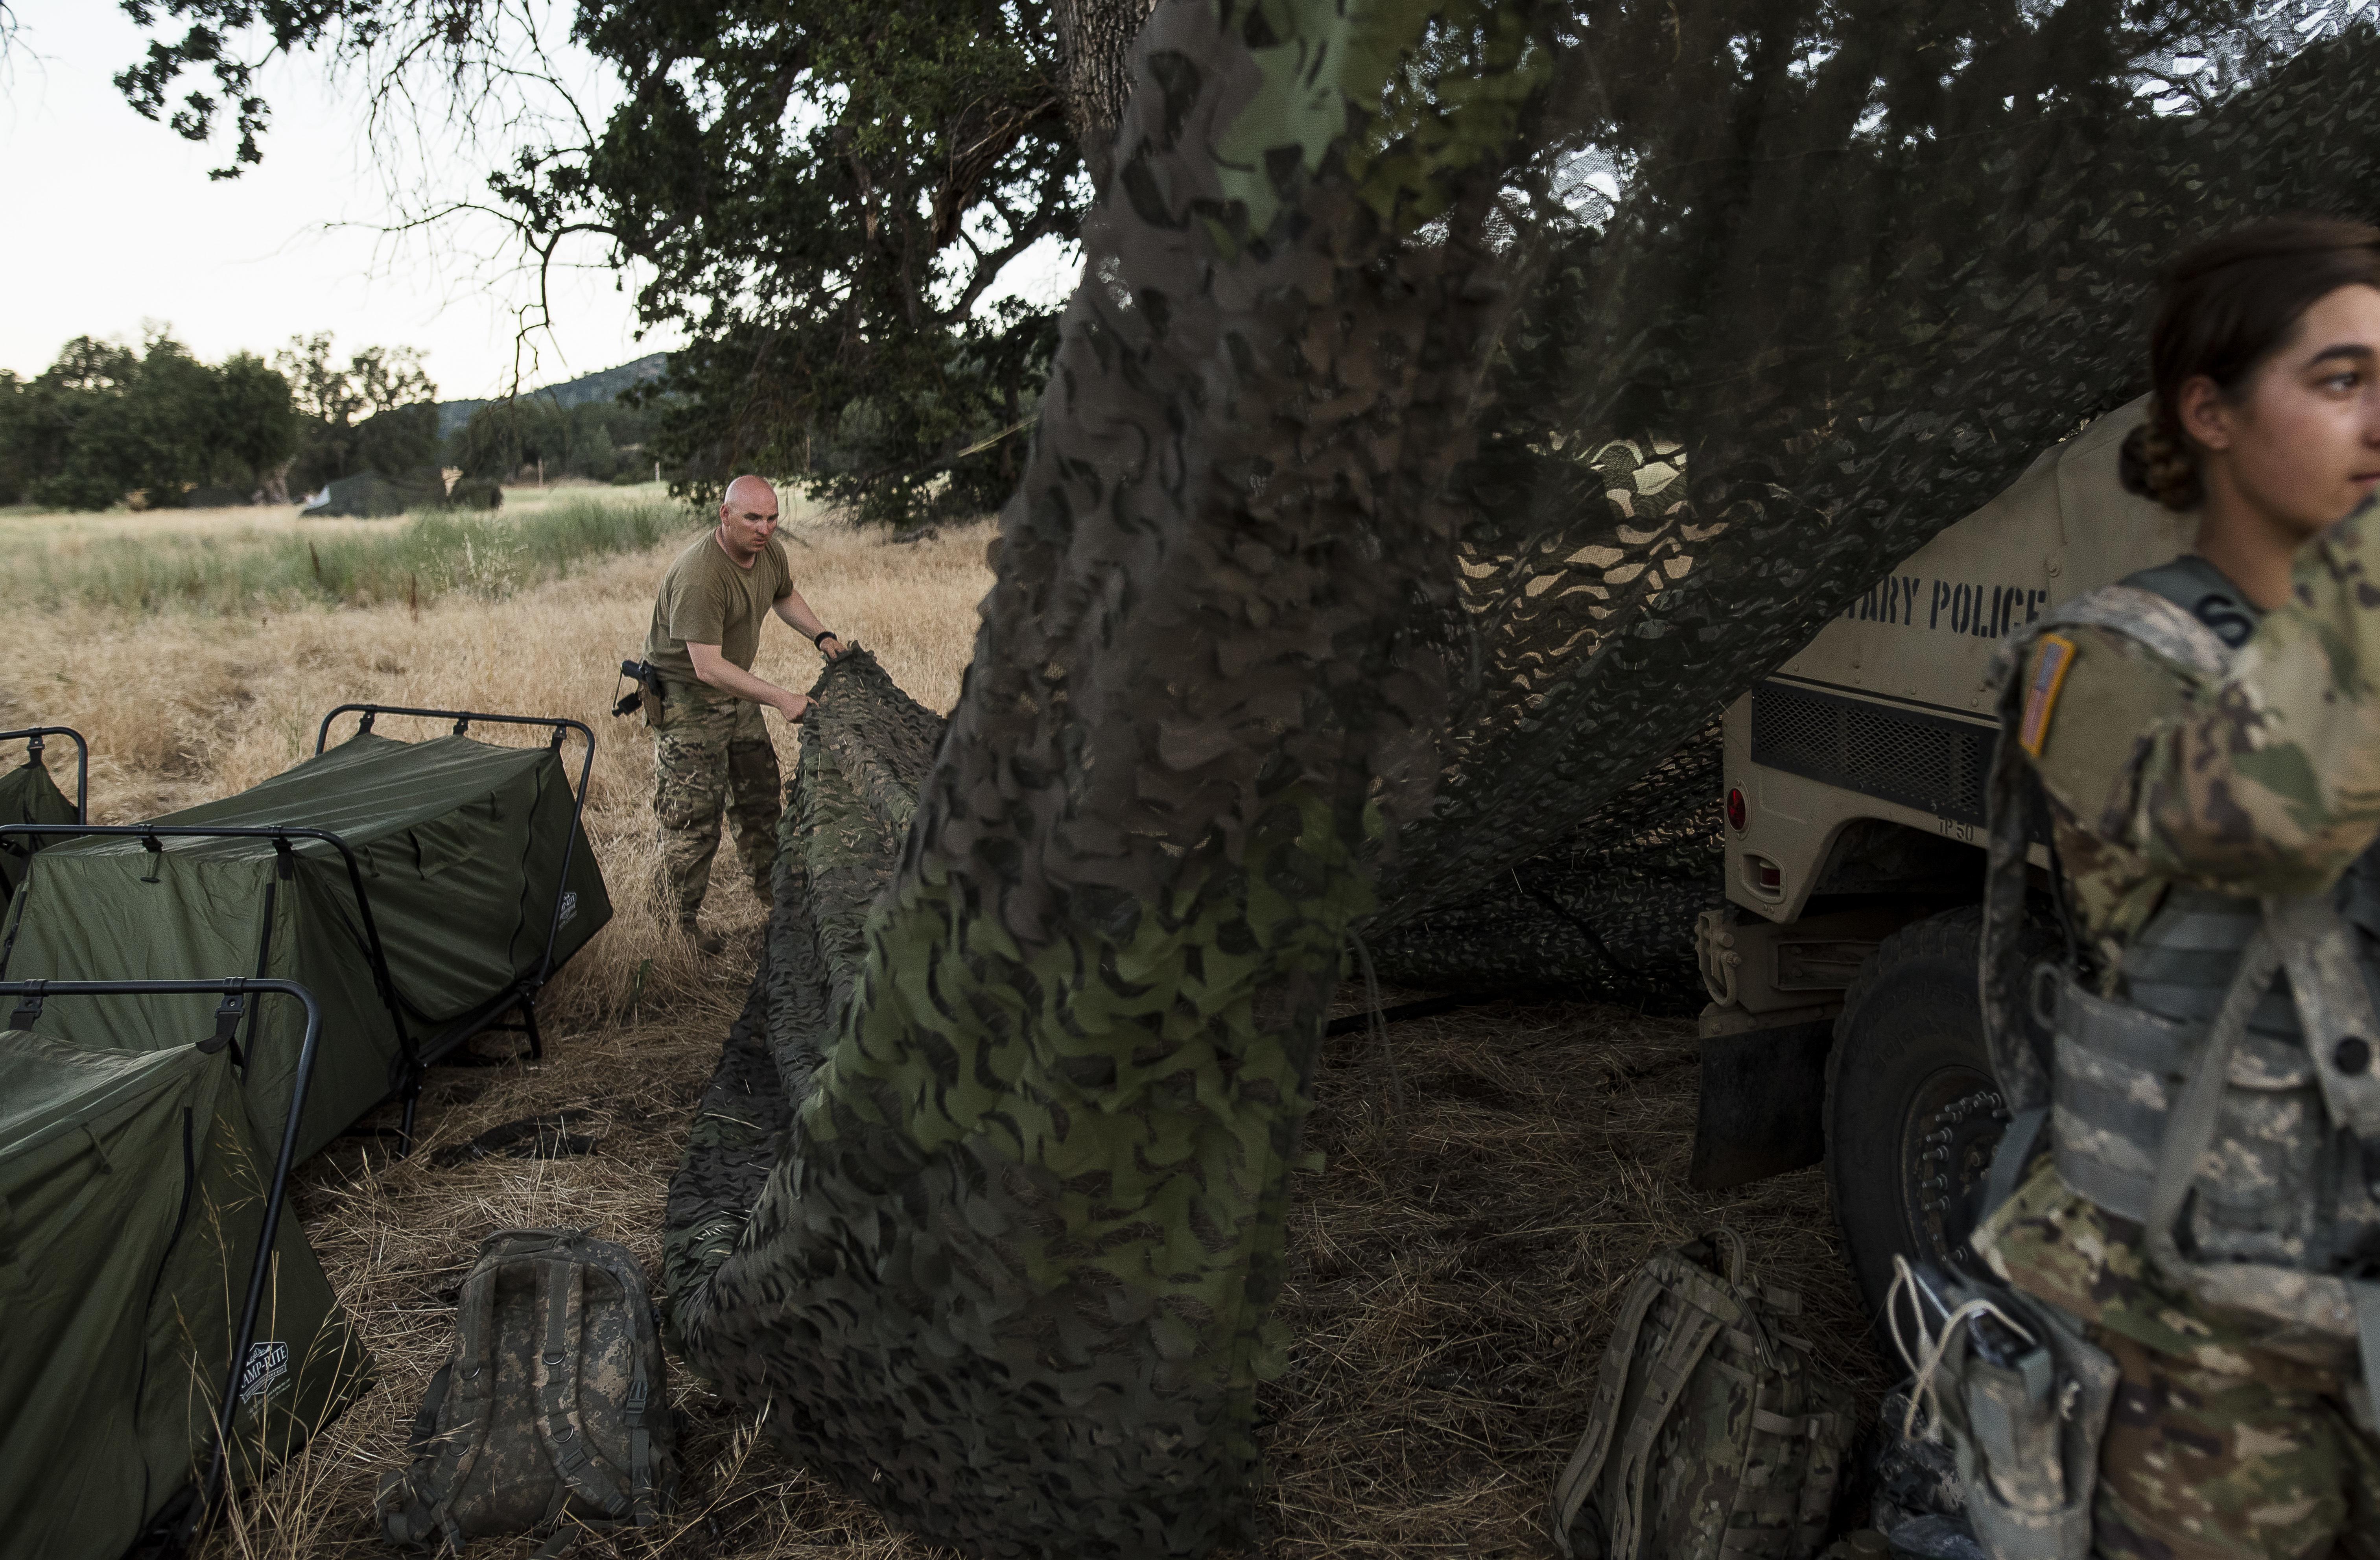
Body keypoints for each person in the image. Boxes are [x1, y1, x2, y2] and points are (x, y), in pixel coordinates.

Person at [1971, 217, 2380, 1559]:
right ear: (2208, 410)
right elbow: (2269, 818)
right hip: (2200, 1341)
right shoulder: (2101, 659)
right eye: (2342, 380)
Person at [645, 474, 844, 953]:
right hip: (689, 698)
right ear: (725, 515)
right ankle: (675, 935)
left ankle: (781, 911)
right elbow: (707, 667)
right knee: (693, 820)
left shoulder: (768, 551)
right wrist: (780, 697)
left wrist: (822, 636)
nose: (765, 528)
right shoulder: (701, 575)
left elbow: (783, 595)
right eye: (753, 518)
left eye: (773, 518)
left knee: (760, 801)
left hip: (734, 690)